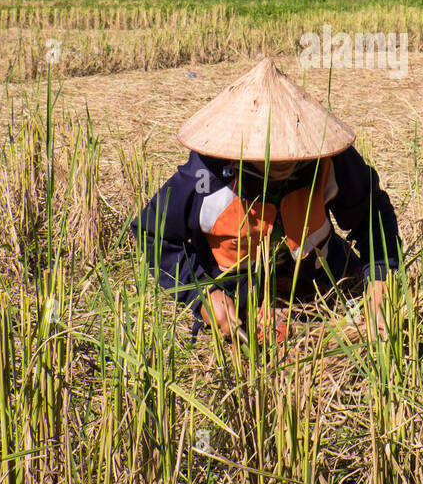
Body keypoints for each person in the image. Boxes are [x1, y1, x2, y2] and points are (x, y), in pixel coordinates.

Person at [130, 58, 402, 342]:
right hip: (240, 298)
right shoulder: (204, 177)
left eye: (290, 153)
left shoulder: (330, 161)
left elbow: (374, 216)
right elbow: (152, 233)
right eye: (268, 156)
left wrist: (381, 282)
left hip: (323, 283)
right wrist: (204, 295)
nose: (281, 162)